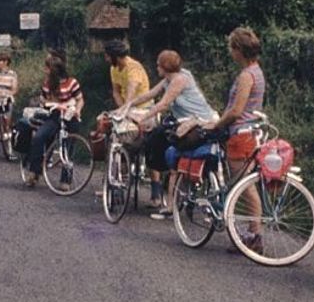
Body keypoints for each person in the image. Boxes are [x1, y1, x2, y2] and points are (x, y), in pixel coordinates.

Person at [118, 49, 216, 218]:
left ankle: (168, 200)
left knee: (169, 151)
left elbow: (163, 104)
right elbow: (150, 94)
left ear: (165, 67)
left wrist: (142, 118)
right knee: (158, 138)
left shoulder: (179, 80)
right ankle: (165, 187)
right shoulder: (169, 79)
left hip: (199, 122)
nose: (157, 67)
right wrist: (127, 106)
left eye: (158, 65)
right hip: (185, 121)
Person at [201, 28, 267, 253]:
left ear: (239, 50)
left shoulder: (246, 76)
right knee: (246, 185)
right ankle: (251, 234)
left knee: (245, 187)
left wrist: (216, 124)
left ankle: (254, 236)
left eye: (231, 47)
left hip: (241, 135)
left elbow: (237, 111)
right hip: (250, 133)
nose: (230, 52)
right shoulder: (257, 71)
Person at [24, 53, 85, 189]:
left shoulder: (72, 82)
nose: (44, 71)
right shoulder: (47, 84)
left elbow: (80, 99)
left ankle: (66, 181)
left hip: (70, 116)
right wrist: (51, 103)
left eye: (47, 68)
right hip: (55, 115)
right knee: (39, 137)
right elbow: (44, 100)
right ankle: (35, 171)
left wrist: (78, 110)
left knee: (68, 146)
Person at [103, 40, 150, 110]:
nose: (106, 59)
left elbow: (131, 91)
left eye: (108, 57)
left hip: (143, 107)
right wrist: (122, 108)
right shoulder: (113, 68)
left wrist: (124, 110)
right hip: (127, 107)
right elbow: (116, 92)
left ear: (115, 57)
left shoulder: (133, 67)